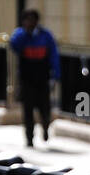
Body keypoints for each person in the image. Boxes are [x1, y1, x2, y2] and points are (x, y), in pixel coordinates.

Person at [9, 9, 61, 148]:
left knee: (45, 108)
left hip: (43, 78)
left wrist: (56, 74)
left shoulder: (45, 36)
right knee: (28, 110)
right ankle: (29, 138)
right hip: (27, 79)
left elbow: (53, 54)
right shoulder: (20, 35)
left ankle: (45, 128)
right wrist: (25, 34)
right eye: (27, 20)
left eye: (32, 20)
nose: (29, 23)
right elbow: (14, 45)